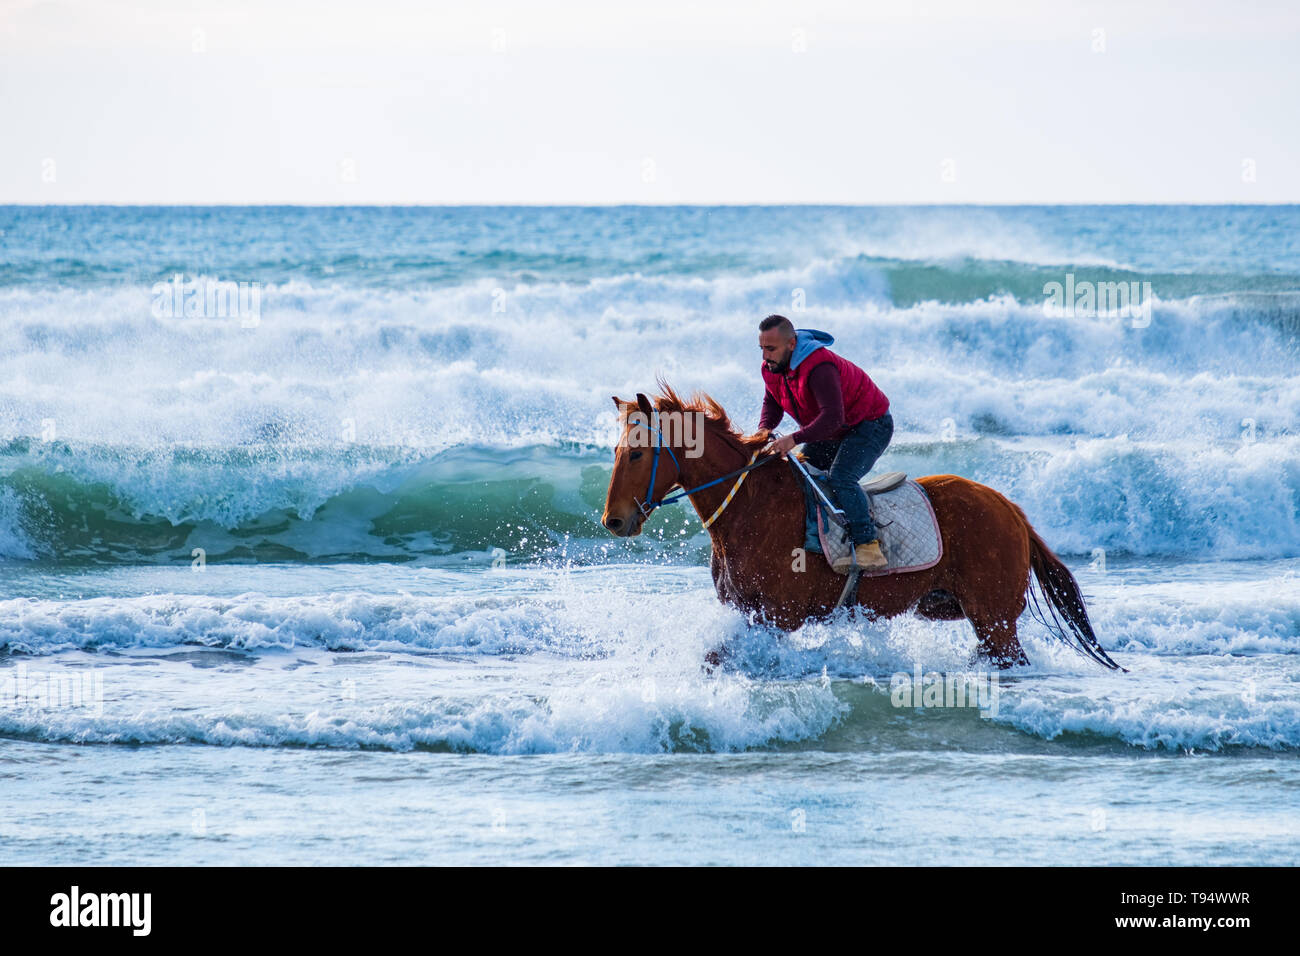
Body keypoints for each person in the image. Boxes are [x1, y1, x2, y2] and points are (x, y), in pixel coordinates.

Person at [755, 314, 894, 572]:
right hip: (835, 430)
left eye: (771, 349)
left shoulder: (819, 367)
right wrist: (764, 429)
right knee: (798, 474)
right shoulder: (771, 368)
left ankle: (868, 546)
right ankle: (816, 539)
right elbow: (772, 403)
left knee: (841, 477)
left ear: (792, 344)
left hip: (870, 425)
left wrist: (794, 439)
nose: (765, 356)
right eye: (762, 348)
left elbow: (832, 418)